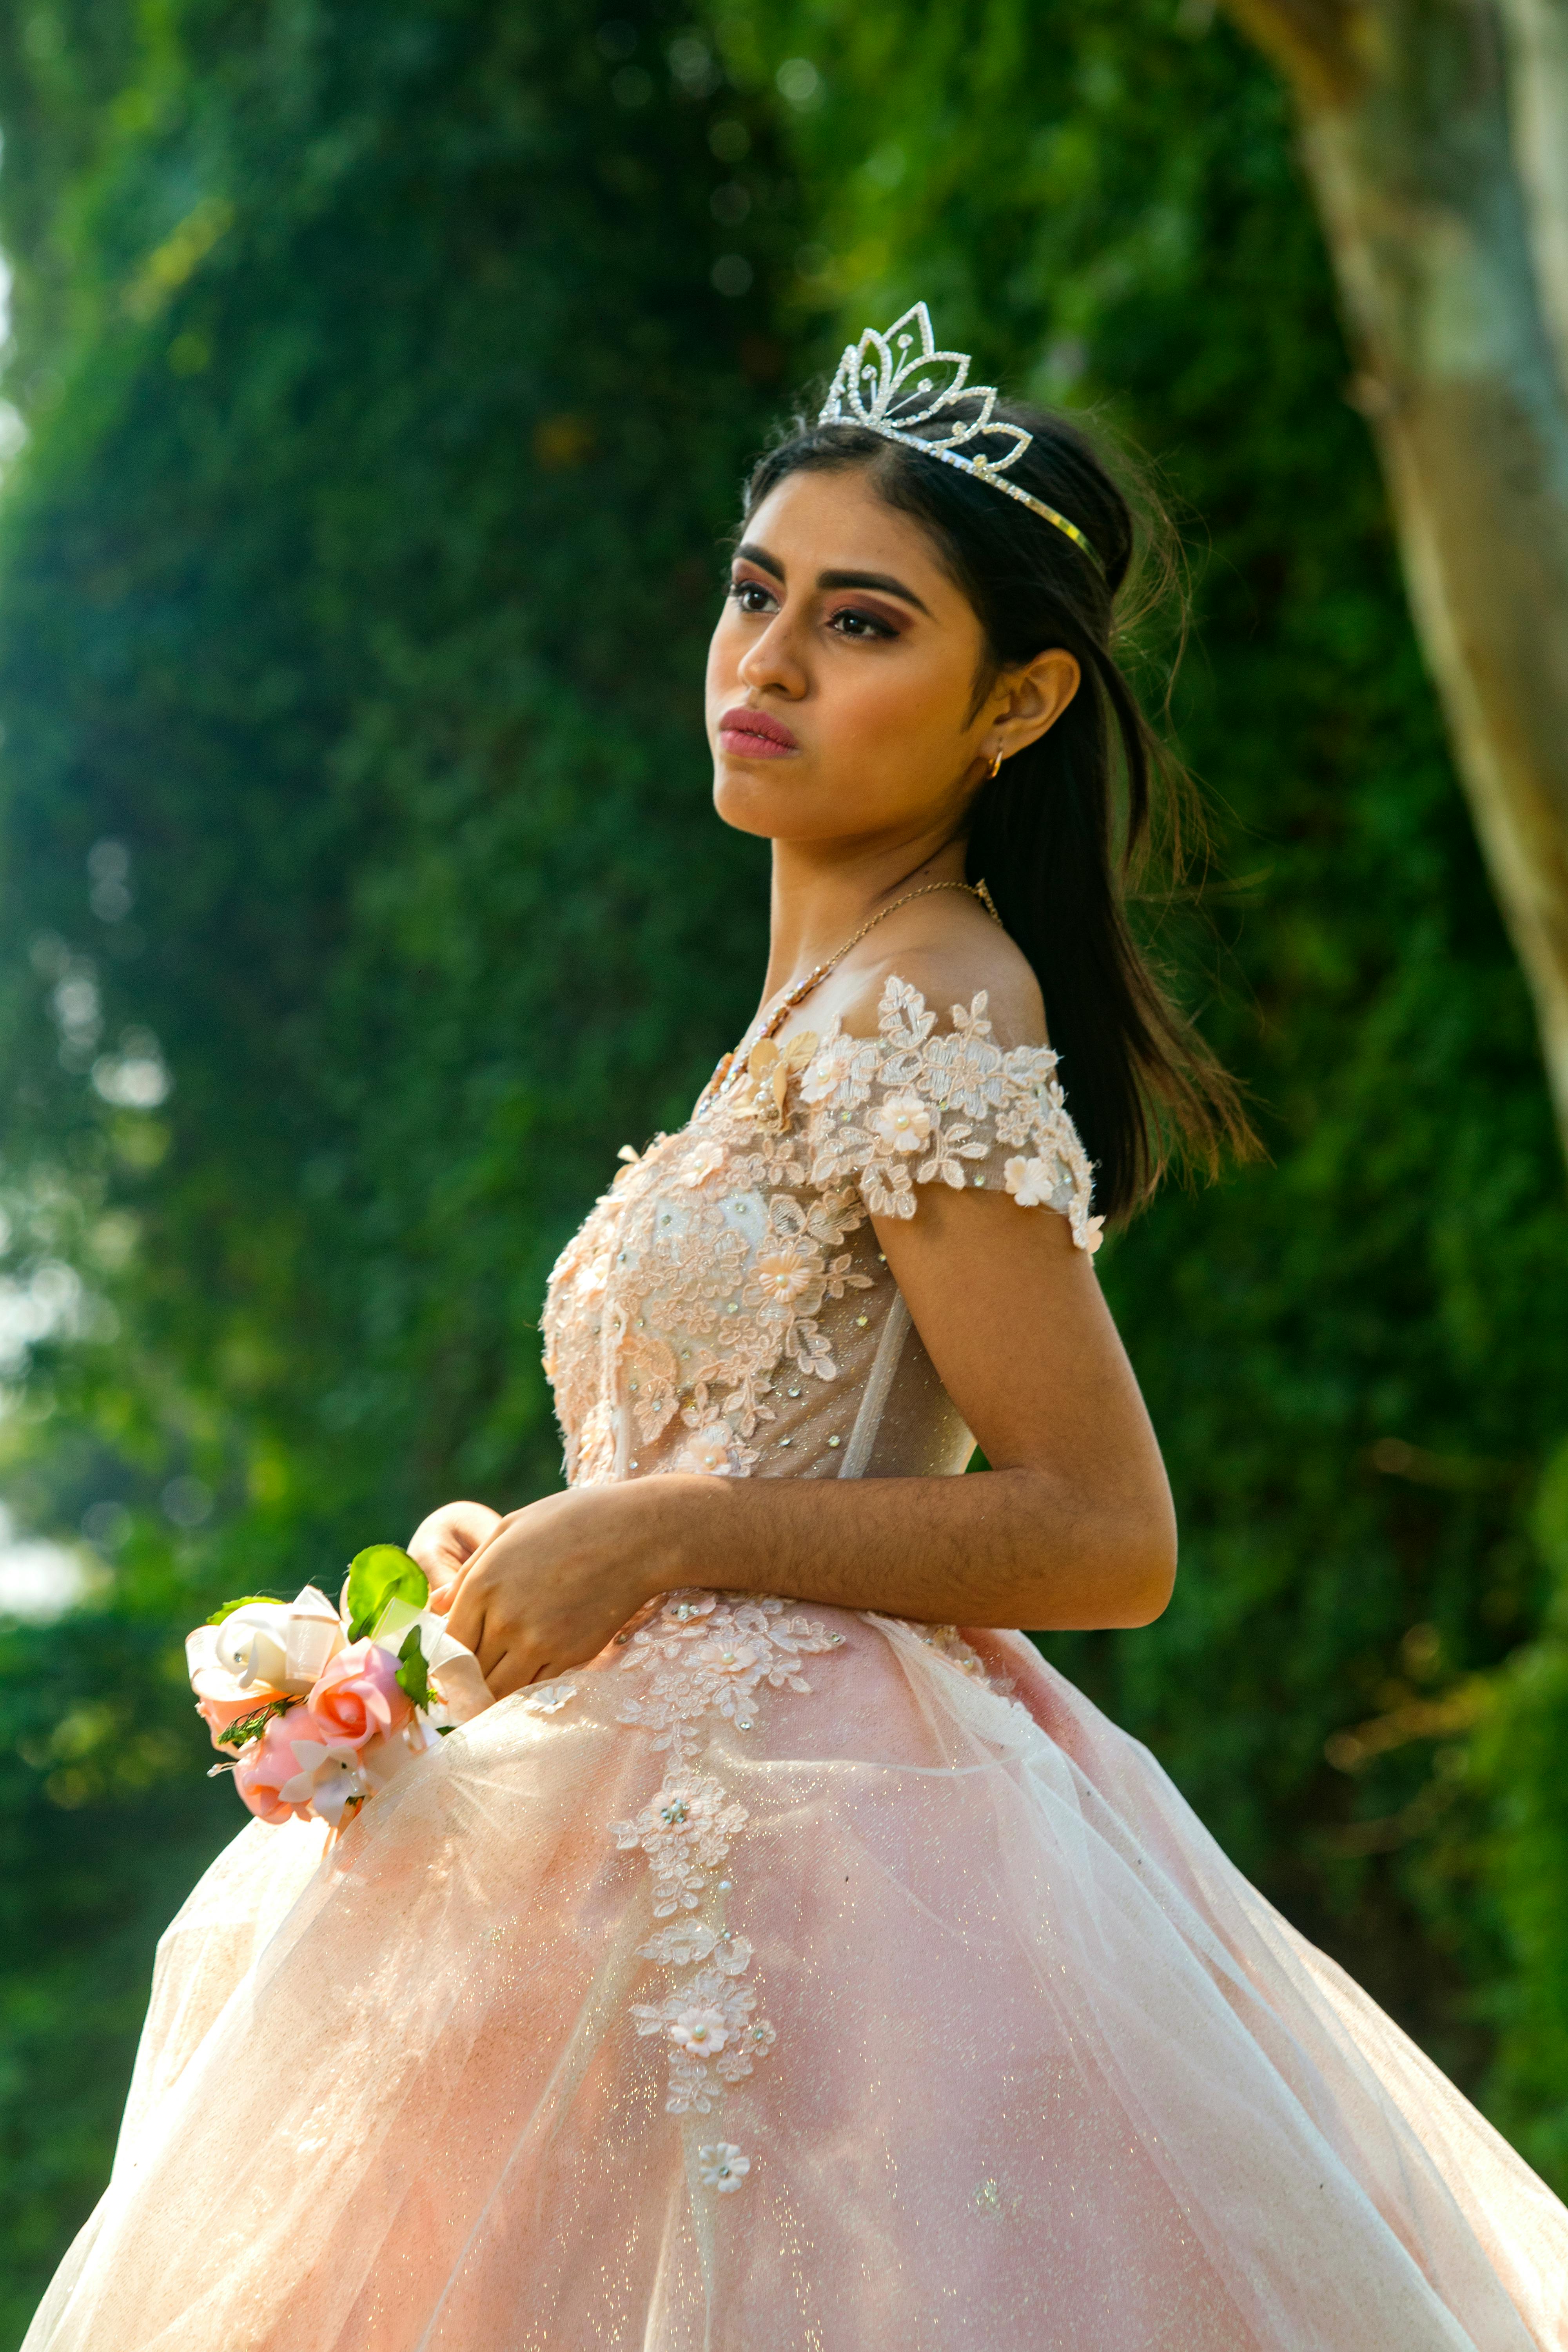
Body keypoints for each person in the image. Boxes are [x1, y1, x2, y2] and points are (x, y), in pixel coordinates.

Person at [24, 305, 1568, 2351]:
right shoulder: (811, 1017)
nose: (767, 664)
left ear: (1013, 706)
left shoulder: (930, 1000)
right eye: (758, 595)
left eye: (861, 626)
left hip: (838, 1869)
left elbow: (1103, 1528)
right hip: (629, 1820)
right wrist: (549, 1548)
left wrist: (661, 1538)